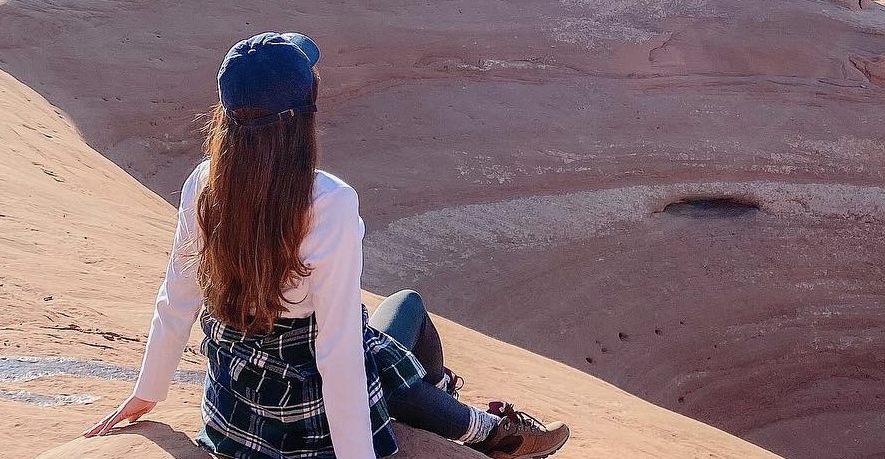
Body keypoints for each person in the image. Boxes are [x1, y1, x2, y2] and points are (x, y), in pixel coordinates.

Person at [83, 32, 570, 459]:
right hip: (302, 407)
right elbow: (338, 351)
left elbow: (177, 297)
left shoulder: (204, 184)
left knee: (378, 340)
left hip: (236, 404)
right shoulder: (328, 201)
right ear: (301, 117)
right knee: (406, 312)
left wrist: (148, 391)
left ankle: (462, 415)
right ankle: (479, 427)